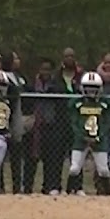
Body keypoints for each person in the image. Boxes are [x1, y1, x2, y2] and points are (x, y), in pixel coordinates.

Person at [67, 72, 110, 195]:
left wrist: (99, 136)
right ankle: (69, 191)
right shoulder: (77, 104)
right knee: (74, 168)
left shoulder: (105, 104)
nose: (91, 91)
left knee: (103, 170)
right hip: (81, 139)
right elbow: (74, 123)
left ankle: (107, 192)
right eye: (88, 88)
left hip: (99, 140)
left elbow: (107, 123)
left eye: (94, 88)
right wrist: (83, 136)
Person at [31, 58, 67, 195]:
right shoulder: (34, 85)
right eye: (43, 69)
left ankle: (53, 185)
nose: (45, 72)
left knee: (53, 159)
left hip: (53, 125)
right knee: (34, 158)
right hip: (37, 126)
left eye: (48, 69)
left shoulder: (57, 84)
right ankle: (30, 186)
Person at [6, 52, 35, 195]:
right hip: (4, 119)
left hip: (19, 119)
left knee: (17, 155)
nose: (18, 61)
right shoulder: (4, 77)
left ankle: (17, 187)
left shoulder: (20, 77)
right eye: (15, 58)